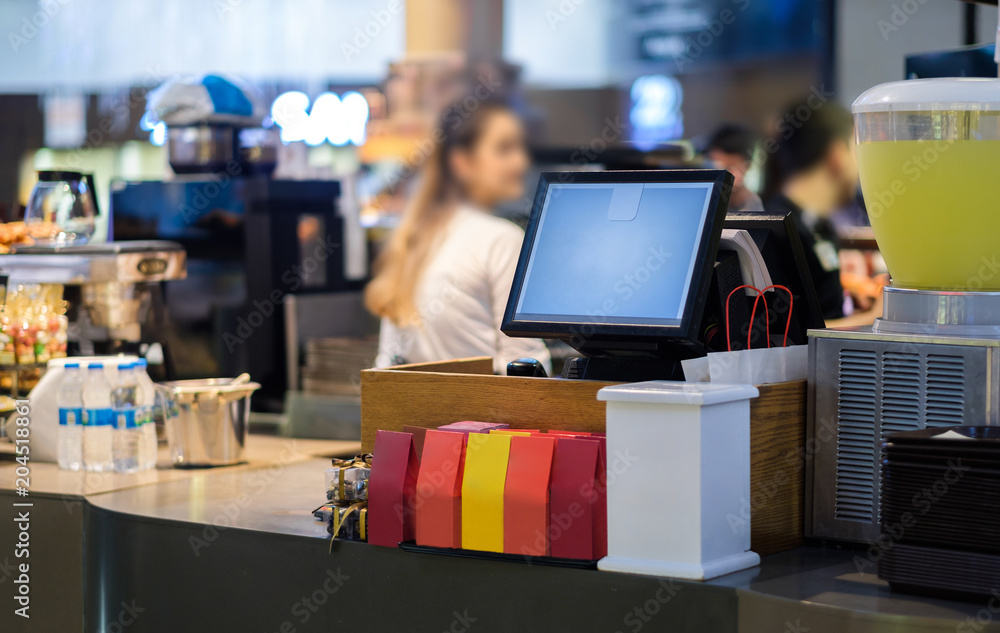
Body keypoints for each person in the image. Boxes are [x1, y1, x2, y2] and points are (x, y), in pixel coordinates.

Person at [366, 101, 552, 374]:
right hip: (488, 415)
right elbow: (525, 369)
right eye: (504, 149)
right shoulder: (501, 240)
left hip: (420, 415)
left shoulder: (411, 238)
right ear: (462, 162)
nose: (521, 161)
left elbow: (387, 366)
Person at [762, 98, 882, 327]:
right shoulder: (780, 230)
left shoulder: (818, 226)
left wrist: (843, 290)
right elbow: (789, 335)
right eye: (857, 150)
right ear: (837, 155)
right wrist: (875, 317)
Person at [705, 124, 764, 212]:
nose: (719, 177)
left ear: (747, 166)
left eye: (729, 168)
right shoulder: (705, 203)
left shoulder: (753, 206)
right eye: (714, 168)